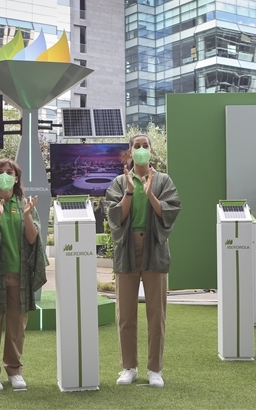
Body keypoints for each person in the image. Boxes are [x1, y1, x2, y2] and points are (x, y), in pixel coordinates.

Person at [105, 134, 181, 388]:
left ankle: (154, 369)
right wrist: (129, 191)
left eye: (144, 146)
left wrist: (150, 195)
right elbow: (116, 217)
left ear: (151, 150)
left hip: (154, 249)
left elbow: (169, 212)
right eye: (136, 146)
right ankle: (129, 367)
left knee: (156, 313)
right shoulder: (119, 181)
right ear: (130, 151)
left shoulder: (163, 181)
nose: (140, 150)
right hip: (127, 250)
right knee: (125, 313)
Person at [0, 158, 48, 391]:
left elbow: (34, 239)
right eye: (0, 171)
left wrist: (26, 215)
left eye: (9, 172)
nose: (5, 175)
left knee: (17, 326)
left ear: (16, 178)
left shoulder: (25, 204)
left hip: (20, 275)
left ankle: (14, 370)